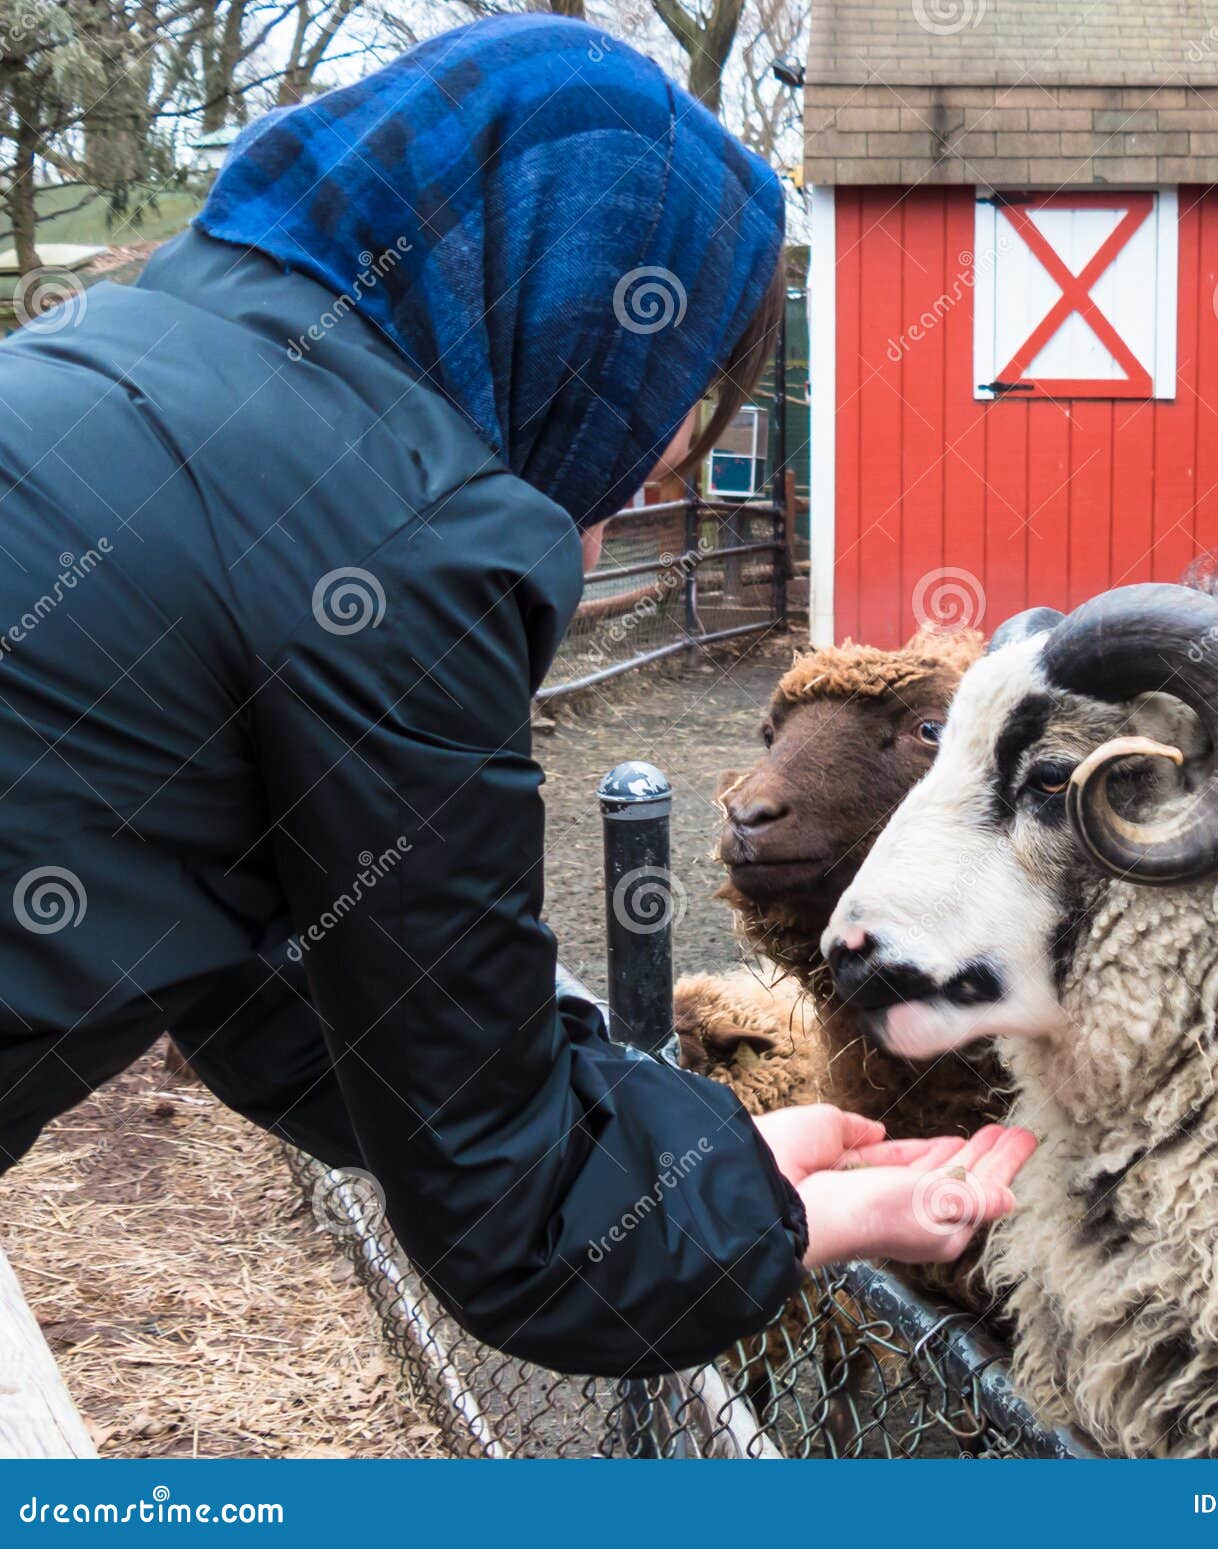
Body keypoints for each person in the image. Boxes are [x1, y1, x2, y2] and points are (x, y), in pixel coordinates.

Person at [0, 14, 1033, 1376]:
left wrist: (690, 1148)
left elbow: (310, 999)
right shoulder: (395, 533)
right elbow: (524, 1231)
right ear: (583, 329)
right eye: (624, 457)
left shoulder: (118, 355)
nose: (591, 525)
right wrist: (790, 1210)